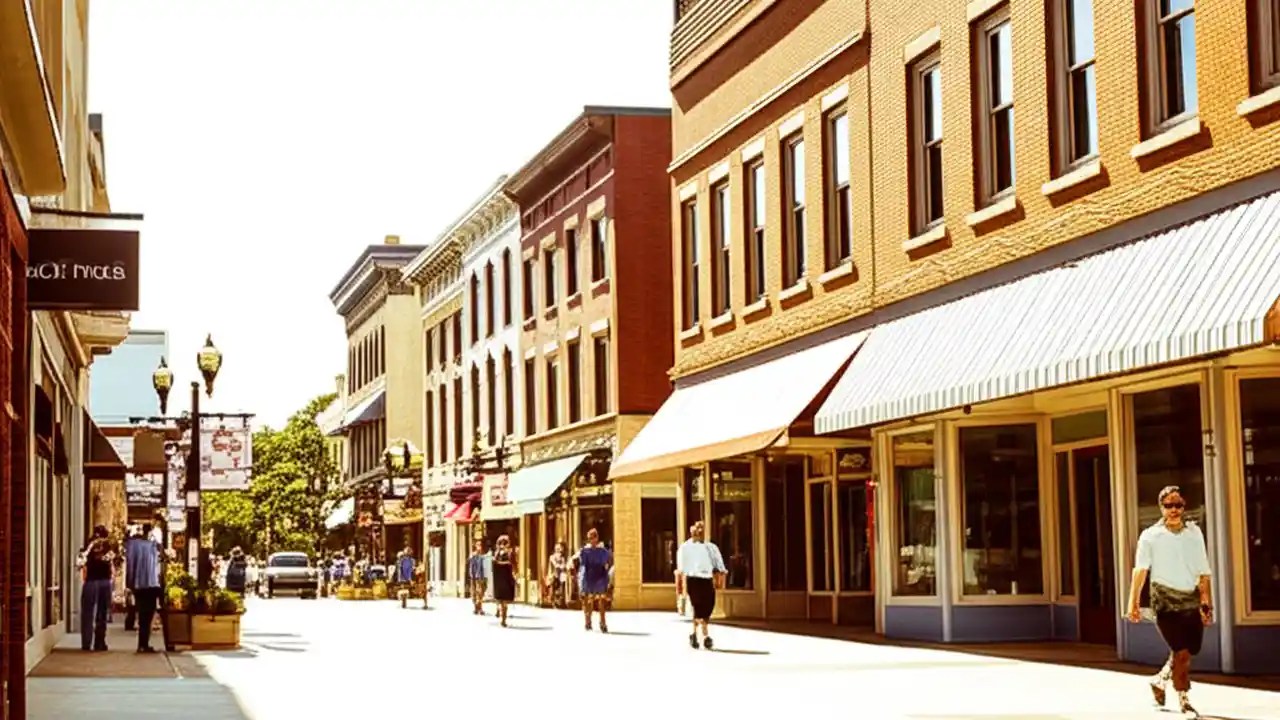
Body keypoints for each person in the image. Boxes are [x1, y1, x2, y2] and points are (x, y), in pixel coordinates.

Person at [1126, 485, 1213, 717]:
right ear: (1161, 507)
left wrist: (1206, 602)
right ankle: (1184, 700)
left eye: (1178, 505)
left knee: (1189, 649)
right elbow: (1140, 570)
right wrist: (1132, 603)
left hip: (1190, 599)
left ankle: (1160, 680)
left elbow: (1203, 571)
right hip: (1163, 601)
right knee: (1181, 651)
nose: (1174, 510)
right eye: (1169, 505)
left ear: (1184, 507)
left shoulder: (1194, 533)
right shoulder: (1150, 536)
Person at [676, 520, 727, 650]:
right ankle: (701, 635)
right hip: (693, 579)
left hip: (707, 579)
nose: (699, 533)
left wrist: (720, 574)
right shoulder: (685, 548)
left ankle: (699, 634)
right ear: (692, 532)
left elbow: (718, 562)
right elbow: (681, 568)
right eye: (697, 530)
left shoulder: (710, 547)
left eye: (702, 531)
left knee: (708, 606)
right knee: (697, 607)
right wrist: (680, 587)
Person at [125, 523, 163, 653]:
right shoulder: (153, 545)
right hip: (151, 585)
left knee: (142, 615)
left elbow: (130, 564)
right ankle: (144, 643)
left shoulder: (134, 545)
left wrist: (130, 583)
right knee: (147, 615)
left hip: (139, 584)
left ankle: (143, 643)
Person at [78, 525, 114, 652]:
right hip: (104, 581)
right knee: (102, 613)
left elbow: (80, 562)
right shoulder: (108, 545)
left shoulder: (89, 544)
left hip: (90, 581)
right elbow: (114, 560)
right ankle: (99, 642)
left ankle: (86, 642)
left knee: (87, 614)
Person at [578, 529, 613, 633]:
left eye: (593, 537)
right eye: (590, 538)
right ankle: (587, 621)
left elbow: (607, 562)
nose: (592, 540)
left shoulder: (603, 551)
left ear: (597, 538)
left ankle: (603, 623)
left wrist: (606, 567)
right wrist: (582, 579)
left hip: (600, 577)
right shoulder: (585, 551)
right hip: (589, 577)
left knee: (602, 602)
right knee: (587, 601)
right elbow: (583, 564)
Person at [491, 535, 517, 627]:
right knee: (500, 599)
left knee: (505, 601)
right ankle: (501, 614)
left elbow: (513, 564)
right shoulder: (497, 553)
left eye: (505, 543)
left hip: (507, 576)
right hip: (499, 578)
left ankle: (503, 619)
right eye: (501, 543)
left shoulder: (510, 553)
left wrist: (515, 574)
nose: (503, 545)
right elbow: (493, 564)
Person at [467, 540, 489, 615]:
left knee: (481, 592)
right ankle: (477, 607)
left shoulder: (485, 556)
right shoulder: (473, 555)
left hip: (483, 576)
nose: (480, 546)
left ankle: (479, 606)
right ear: (475, 546)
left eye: (481, 545)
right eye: (478, 545)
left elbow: (487, 567)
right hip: (475, 577)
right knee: (475, 592)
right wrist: (472, 575)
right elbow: (471, 567)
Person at [545, 541, 568, 609]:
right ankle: (554, 602)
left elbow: (564, 565)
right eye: (558, 548)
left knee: (562, 588)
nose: (560, 549)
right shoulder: (552, 557)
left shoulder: (563, 557)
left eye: (561, 548)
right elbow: (555, 564)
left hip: (561, 575)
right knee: (554, 588)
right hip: (554, 575)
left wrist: (564, 566)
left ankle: (561, 602)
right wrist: (561, 566)